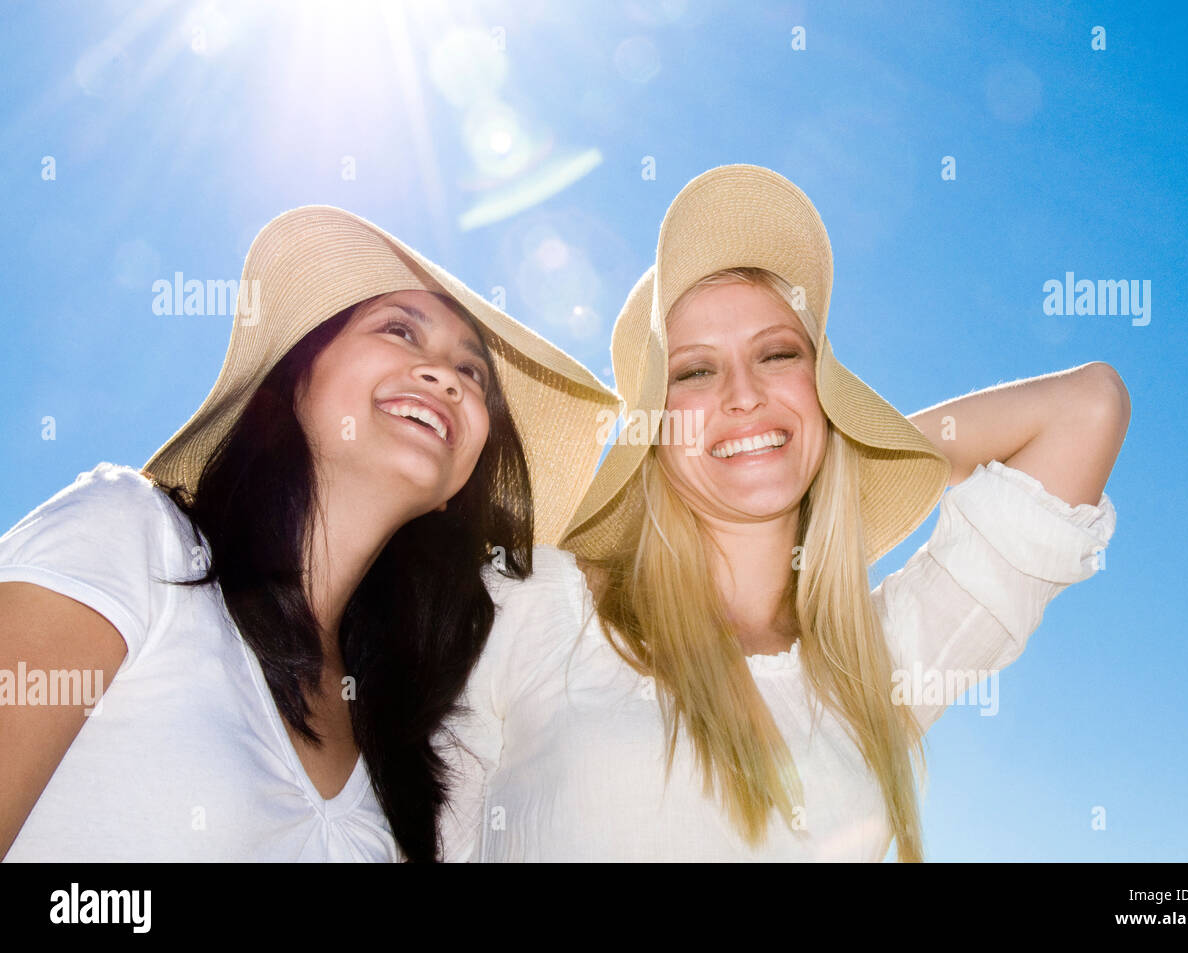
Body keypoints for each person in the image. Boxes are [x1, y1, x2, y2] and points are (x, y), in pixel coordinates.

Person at [438, 165, 1127, 861]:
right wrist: (782, 443)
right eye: (695, 371)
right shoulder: (533, 602)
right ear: (652, 428)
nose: (743, 392)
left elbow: (1086, 407)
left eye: (777, 355)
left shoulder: (877, 664)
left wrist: (833, 448)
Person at [0, 206, 619, 862]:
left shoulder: (412, 752)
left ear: (457, 487)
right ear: (295, 378)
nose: (444, 375)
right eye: (400, 330)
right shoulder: (131, 535)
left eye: (472, 374)